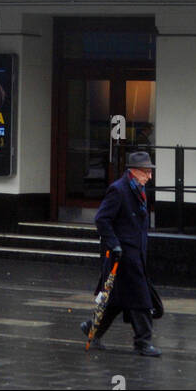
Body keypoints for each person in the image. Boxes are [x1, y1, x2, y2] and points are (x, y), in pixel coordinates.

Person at [81, 150, 161, 357]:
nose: (149, 177)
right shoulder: (119, 190)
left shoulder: (139, 189)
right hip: (122, 255)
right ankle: (143, 342)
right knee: (141, 300)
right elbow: (102, 219)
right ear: (133, 172)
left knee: (115, 300)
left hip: (135, 254)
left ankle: (93, 329)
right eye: (146, 172)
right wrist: (114, 244)